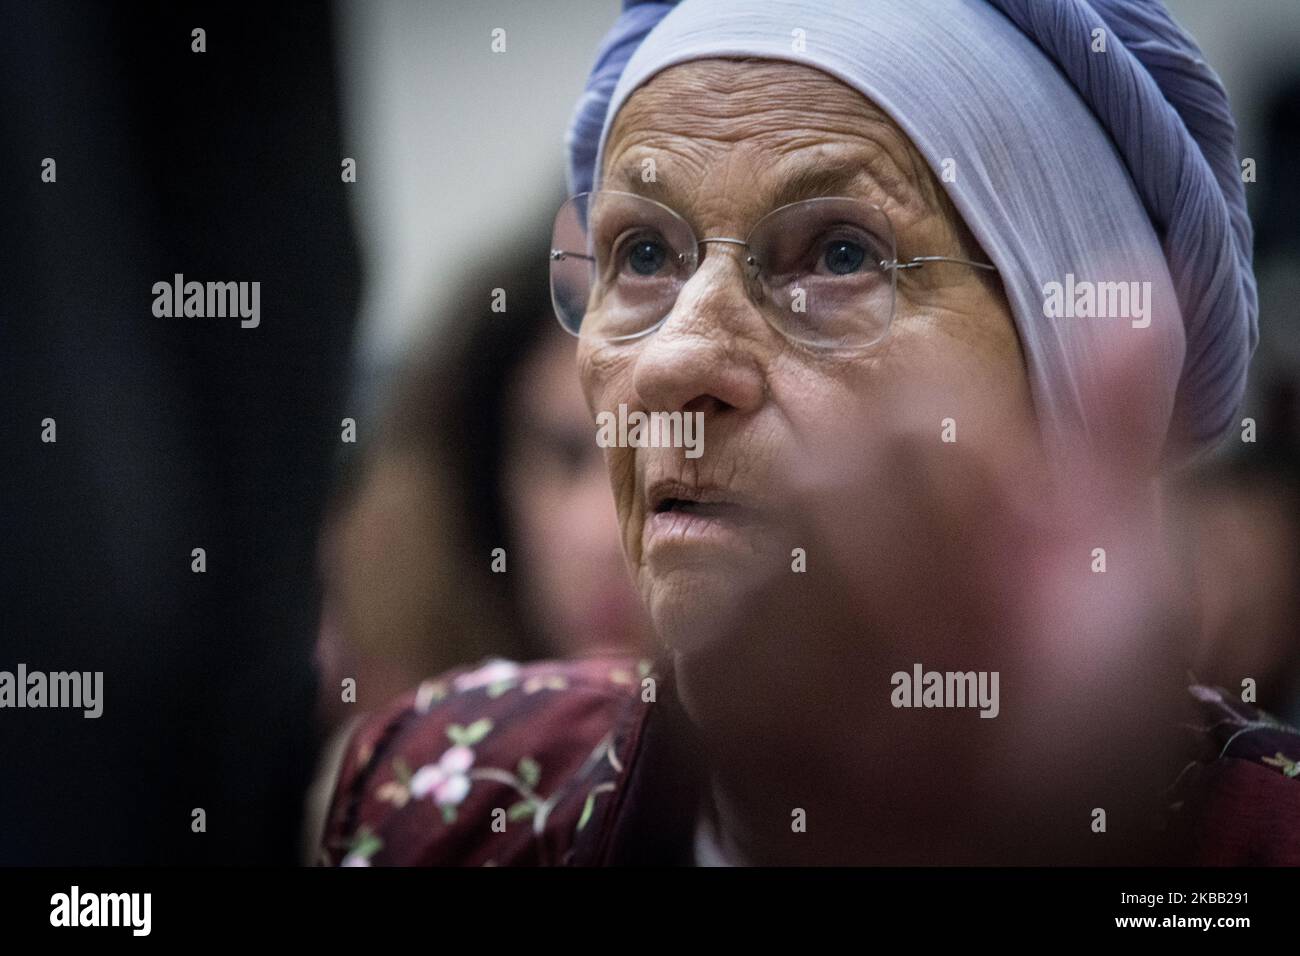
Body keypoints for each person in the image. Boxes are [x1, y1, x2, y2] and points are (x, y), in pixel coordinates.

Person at [320, 0, 1300, 866]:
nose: (668, 365)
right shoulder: (440, 793)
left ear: (1071, 403)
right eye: (643, 252)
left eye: (839, 254)